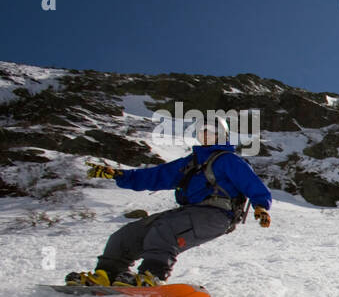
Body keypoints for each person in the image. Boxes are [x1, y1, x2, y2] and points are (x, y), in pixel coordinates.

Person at [66, 119, 272, 287]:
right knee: (129, 233)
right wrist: (118, 174)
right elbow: (155, 175)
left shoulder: (228, 159)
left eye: (212, 132)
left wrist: (261, 206)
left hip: (217, 215)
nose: (206, 135)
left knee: (166, 229)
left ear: (222, 136)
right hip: (189, 212)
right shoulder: (190, 162)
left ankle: (152, 275)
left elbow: (251, 183)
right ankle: (107, 274)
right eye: (202, 132)